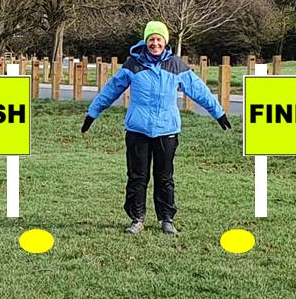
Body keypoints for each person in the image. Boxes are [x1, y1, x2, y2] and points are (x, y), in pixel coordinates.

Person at [81, 20, 230, 234]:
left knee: (164, 177)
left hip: (167, 130)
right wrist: (92, 113)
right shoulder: (133, 64)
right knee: (137, 176)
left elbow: (198, 89)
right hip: (138, 130)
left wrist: (218, 112)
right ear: (146, 40)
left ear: (165, 42)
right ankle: (137, 218)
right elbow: (111, 89)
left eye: (159, 39)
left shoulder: (176, 65)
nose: (155, 43)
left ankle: (166, 218)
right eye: (151, 39)